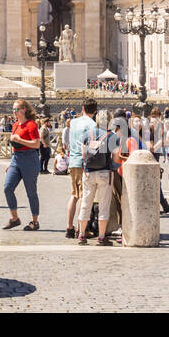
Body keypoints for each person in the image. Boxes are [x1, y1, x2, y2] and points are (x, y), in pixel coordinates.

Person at [75, 111, 119, 246]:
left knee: (86, 204)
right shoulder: (112, 136)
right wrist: (114, 166)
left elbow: (83, 154)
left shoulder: (88, 134)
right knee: (104, 205)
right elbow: (116, 157)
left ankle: (82, 234)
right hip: (104, 172)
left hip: (88, 173)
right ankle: (101, 237)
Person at [2, 99, 41, 231]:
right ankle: (15, 218)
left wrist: (20, 140)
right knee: (7, 187)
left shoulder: (31, 125)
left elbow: (36, 144)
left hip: (29, 158)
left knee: (31, 192)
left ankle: (34, 221)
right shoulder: (15, 125)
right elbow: (14, 145)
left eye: (16, 110)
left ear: (23, 110)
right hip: (16, 158)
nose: (14, 112)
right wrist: (11, 161)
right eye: (13, 110)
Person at [64, 99, 97, 239]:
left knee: (73, 195)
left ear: (82, 108)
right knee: (84, 197)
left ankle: (69, 227)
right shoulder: (93, 124)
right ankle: (80, 229)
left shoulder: (72, 122)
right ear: (95, 111)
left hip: (72, 161)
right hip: (84, 163)